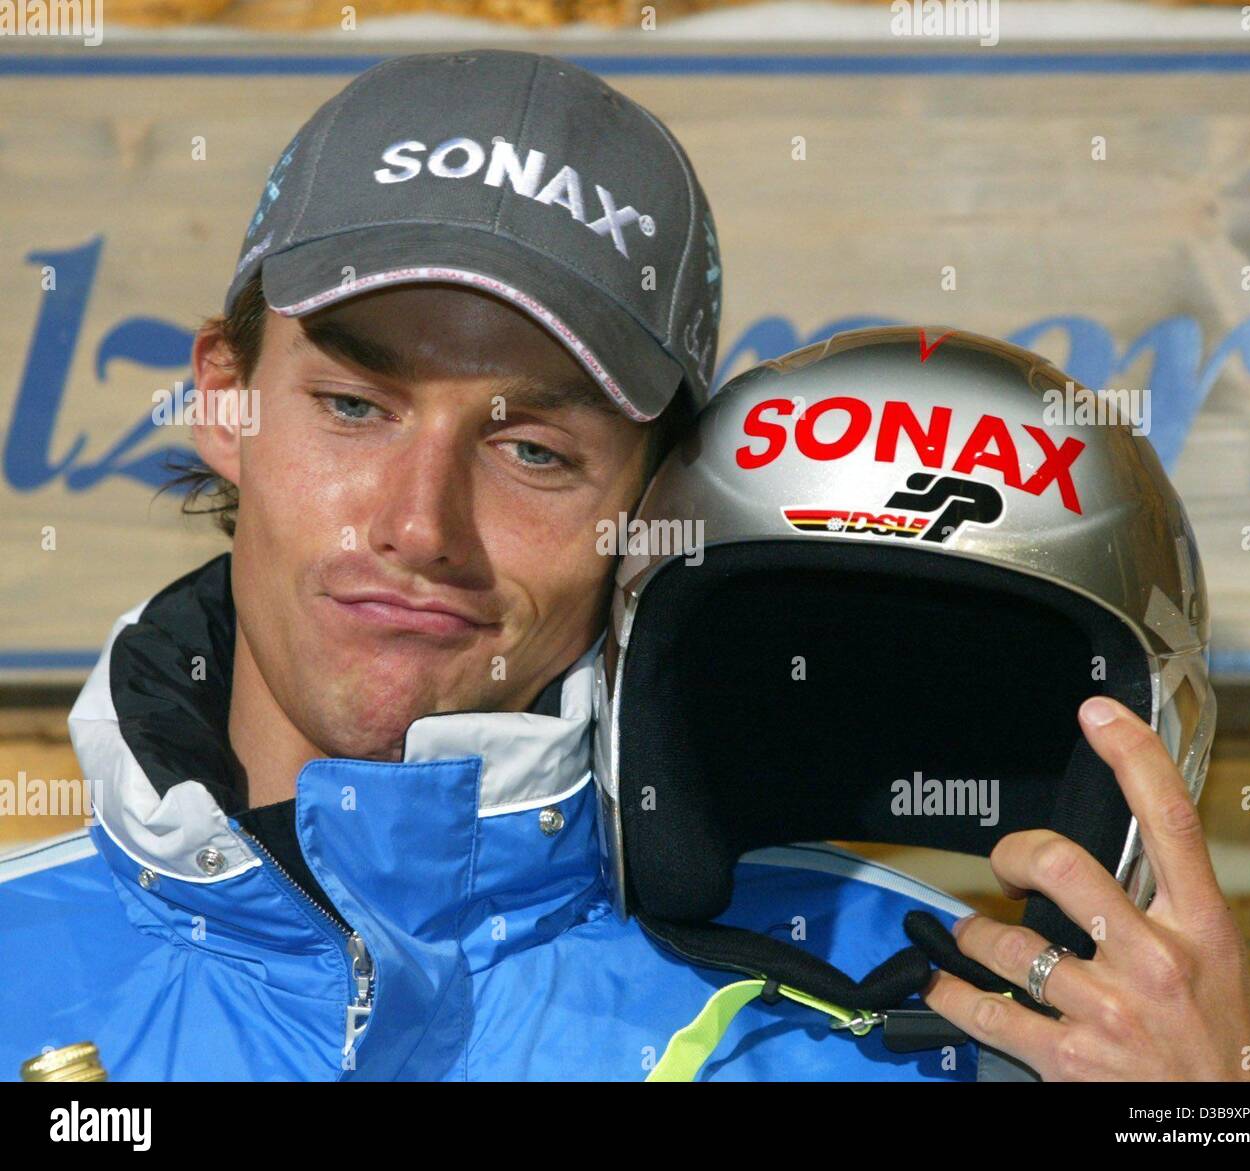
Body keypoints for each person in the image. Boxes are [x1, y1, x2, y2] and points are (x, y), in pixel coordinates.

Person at [0, 50, 977, 1082]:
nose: (420, 526)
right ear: (225, 403)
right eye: (353, 406)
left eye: (533, 452)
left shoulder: (918, 1013)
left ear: (654, 506)